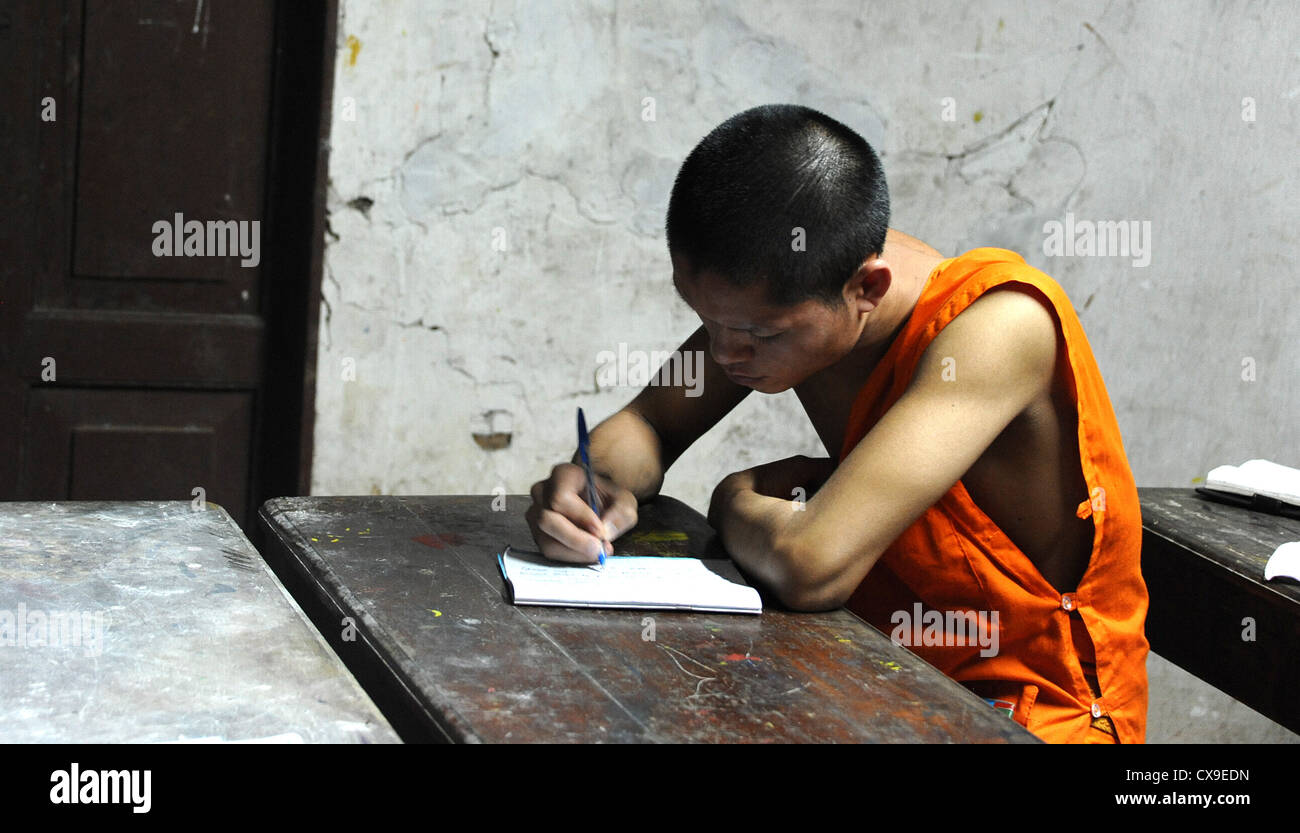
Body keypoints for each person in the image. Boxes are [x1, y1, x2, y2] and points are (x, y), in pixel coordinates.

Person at [525, 104, 1148, 743]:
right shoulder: (792, 298)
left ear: (867, 289)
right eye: (706, 322)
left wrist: (732, 496)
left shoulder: (998, 328)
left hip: (1032, 710)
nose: (721, 356)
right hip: (879, 670)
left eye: (752, 334)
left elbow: (810, 563)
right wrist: (591, 485)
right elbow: (651, 423)